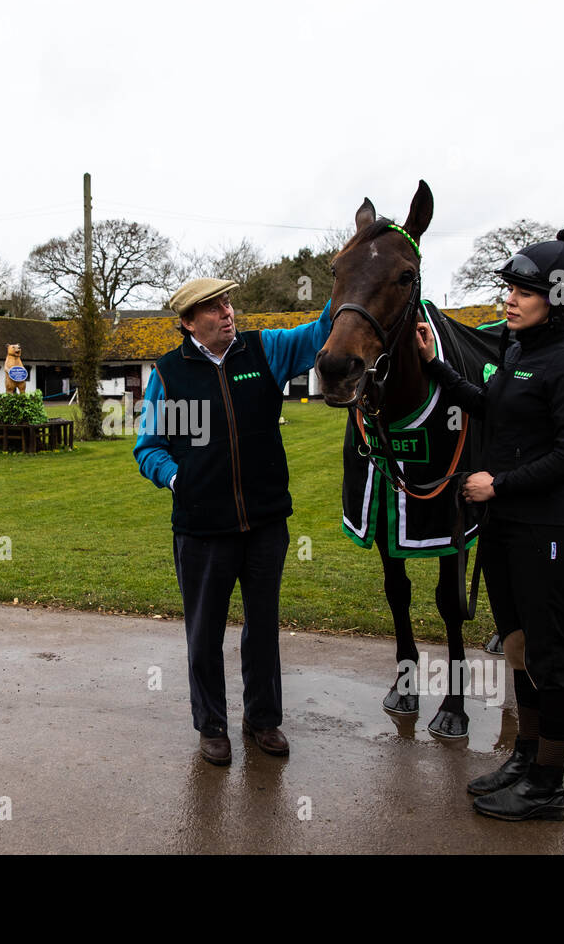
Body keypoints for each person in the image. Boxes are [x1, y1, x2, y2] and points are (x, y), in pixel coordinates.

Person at [415, 228, 564, 820]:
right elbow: (488, 404)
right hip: (504, 530)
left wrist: (499, 483)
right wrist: (435, 365)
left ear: (561, 300)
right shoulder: (518, 353)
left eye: (525, 290)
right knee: (518, 648)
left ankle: (548, 784)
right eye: (511, 287)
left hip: (544, 534)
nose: (511, 298)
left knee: (551, 657)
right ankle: (525, 756)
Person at [134, 278, 331, 766]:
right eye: (213, 307)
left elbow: (324, 329)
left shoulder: (264, 349)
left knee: (262, 627)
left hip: (265, 522)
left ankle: (263, 720)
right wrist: (179, 479)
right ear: (187, 322)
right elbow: (149, 448)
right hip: (202, 529)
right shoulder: (170, 374)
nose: (227, 311)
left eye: (227, 302)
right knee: (204, 632)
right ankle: (212, 725)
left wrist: (354, 274)